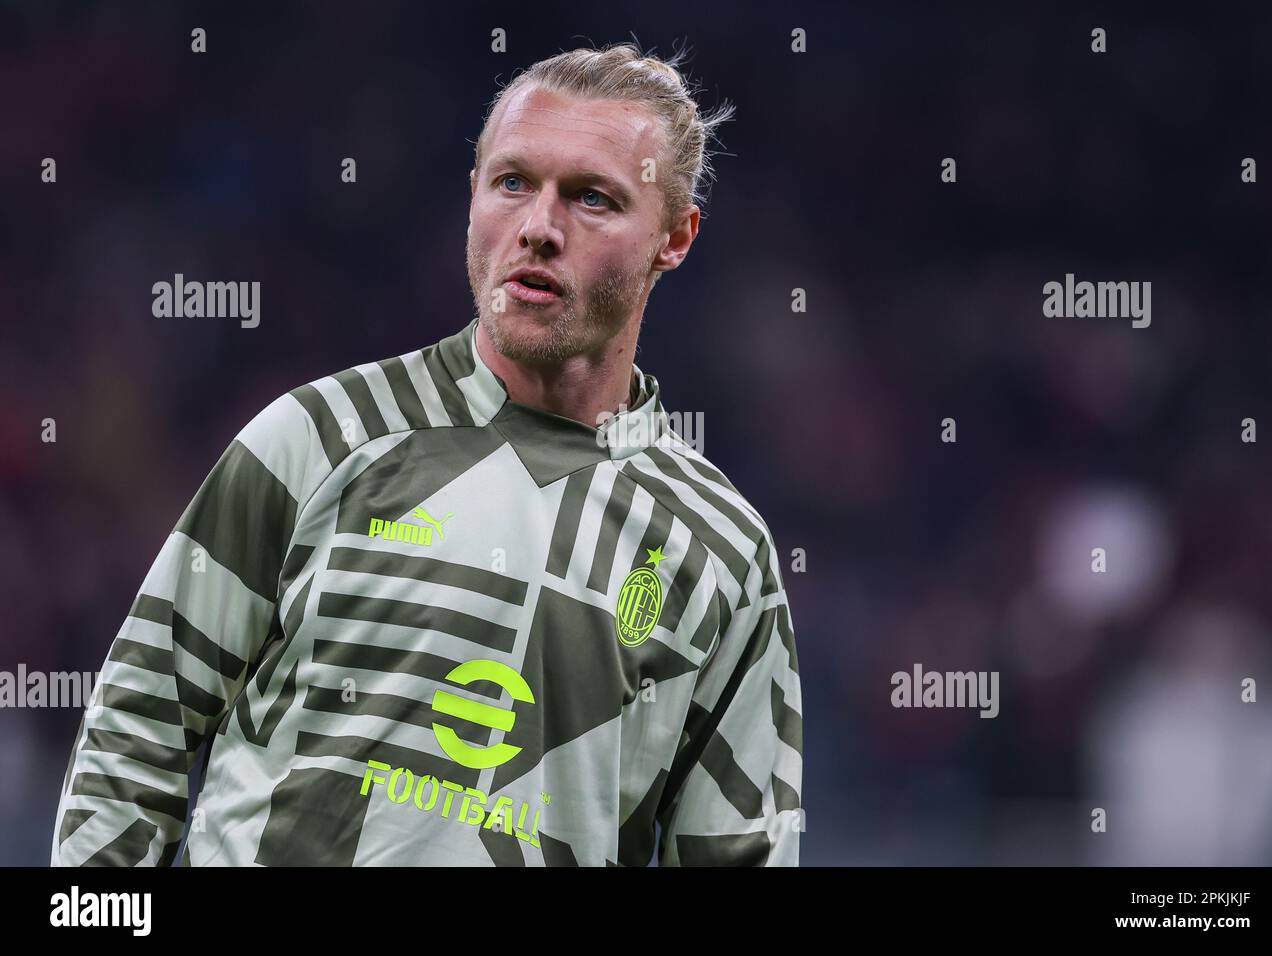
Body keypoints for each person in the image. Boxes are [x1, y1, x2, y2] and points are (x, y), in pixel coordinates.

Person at [51, 41, 803, 866]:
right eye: (512, 182)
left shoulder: (723, 553)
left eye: (592, 198)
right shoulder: (317, 438)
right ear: (473, 195)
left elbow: (742, 853)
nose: (539, 228)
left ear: (674, 236)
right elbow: (133, 732)